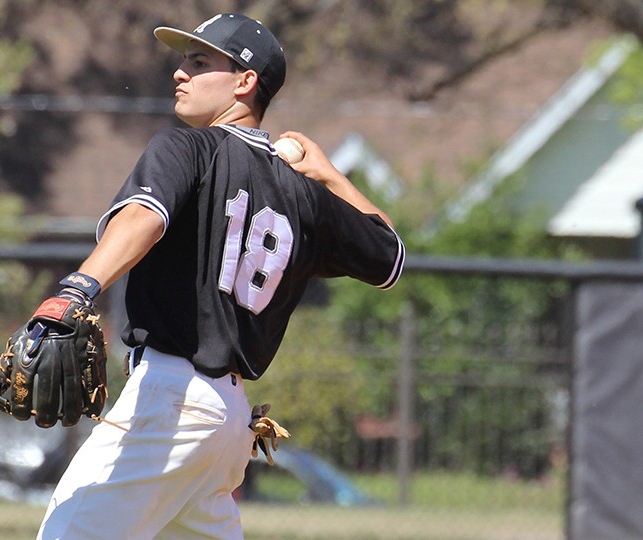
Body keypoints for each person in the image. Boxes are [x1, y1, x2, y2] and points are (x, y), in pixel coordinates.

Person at [37, 12, 405, 539]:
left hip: (168, 402)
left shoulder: (185, 148)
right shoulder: (307, 200)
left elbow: (145, 216)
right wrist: (329, 176)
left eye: (199, 61)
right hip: (226, 422)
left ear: (245, 81)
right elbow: (389, 251)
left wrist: (76, 290)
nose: (179, 74)